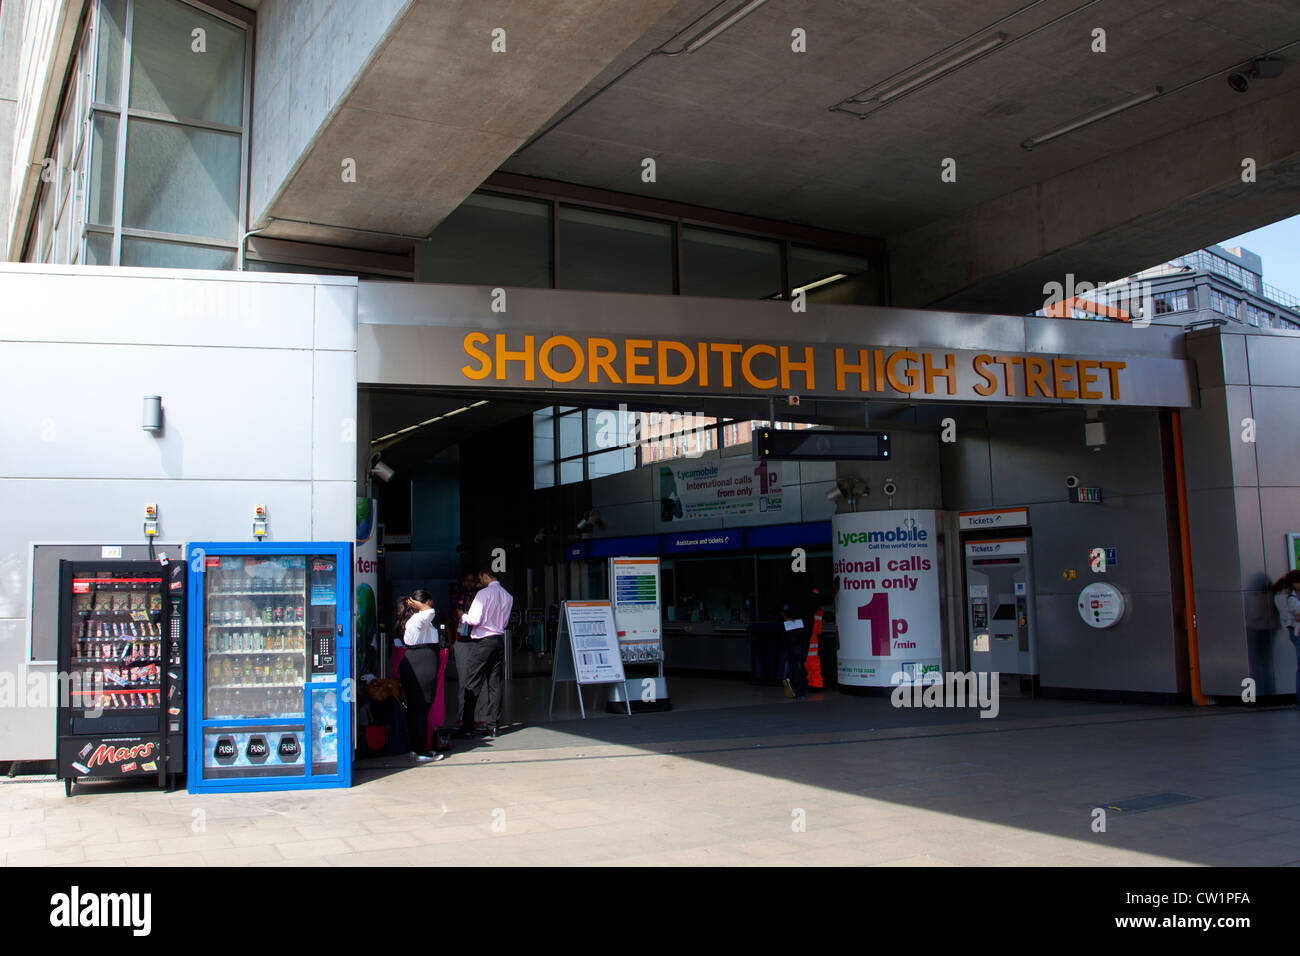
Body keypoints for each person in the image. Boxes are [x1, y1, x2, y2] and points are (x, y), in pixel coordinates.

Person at [455, 567, 513, 738]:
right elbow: (504, 621)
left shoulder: (483, 594)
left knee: (472, 682)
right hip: (498, 640)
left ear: (486, 576)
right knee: (494, 683)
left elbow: (474, 619)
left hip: (483, 641)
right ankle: (493, 725)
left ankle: (467, 727)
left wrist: (462, 616)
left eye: (480, 578)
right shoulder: (508, 596)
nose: (479, 582)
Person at [396, 590, 445, 762]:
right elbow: (430, 612)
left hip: (421, 664)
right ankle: (420, 750)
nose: (431, 605)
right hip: (420, 666)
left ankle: (417, 748)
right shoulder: (418, 618)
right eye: (429, 602)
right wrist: (420, 605)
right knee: (420, 709)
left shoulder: (418, 621)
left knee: (418, 709)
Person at [450, 571, 480, 735]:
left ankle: (479, 716)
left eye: (472, 581)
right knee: (463, 681)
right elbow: (449, 621)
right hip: (461, 641)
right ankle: (461, 715)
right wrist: (451, 642)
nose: (469, 584)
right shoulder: (457, 600)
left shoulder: (481, 599)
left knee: (478, 681)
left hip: (477, 641)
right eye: (467, 580)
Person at [780, 582, 821, 700]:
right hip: (806, 632)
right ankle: (799, 689)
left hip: (793, 630)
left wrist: (787, 618)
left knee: (792, 658)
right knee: (800, 661)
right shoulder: (811, 596)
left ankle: (790, 680)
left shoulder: (790, 595)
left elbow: (781, 608)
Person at [1272, 570, 1300, 707]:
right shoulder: (1289, 598)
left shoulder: (1284, 595)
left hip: (1292, 630)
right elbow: (1296, 615)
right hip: (1296, 631)